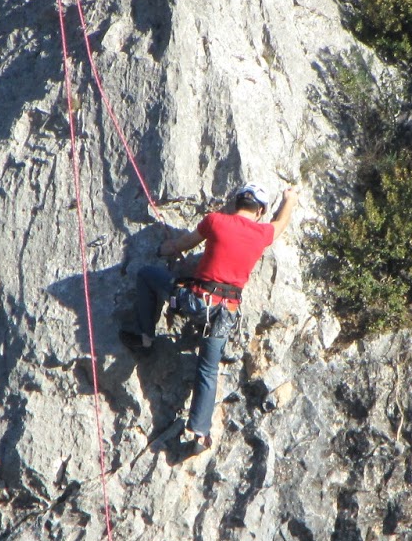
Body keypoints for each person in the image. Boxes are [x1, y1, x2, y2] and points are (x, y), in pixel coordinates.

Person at [125, 183, 298, 450]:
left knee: (147, 275)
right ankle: (199, 433)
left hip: (195, 303)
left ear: (235, 202)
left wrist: (163, 250)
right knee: (207, 368)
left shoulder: (216, 221)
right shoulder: (263, 233)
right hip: (225, 313)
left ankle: (145, 337)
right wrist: (289, 198)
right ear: (260, 210)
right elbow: (281, 222)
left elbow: (182, 244)